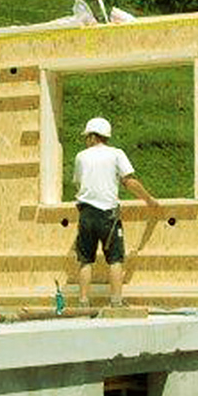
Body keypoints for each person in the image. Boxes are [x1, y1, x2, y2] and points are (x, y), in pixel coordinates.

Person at [72, 117, 158, 307]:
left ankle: (83, 302)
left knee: (85, 261)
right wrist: (149, 200)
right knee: (115, 259)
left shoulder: (81, 157)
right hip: (108, 215)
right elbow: (129, 182)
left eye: (87, 136)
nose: (86, 140)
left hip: (86, 214)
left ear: (93, 136)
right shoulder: (116, 154)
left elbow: (78, 183)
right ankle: (116, 302)